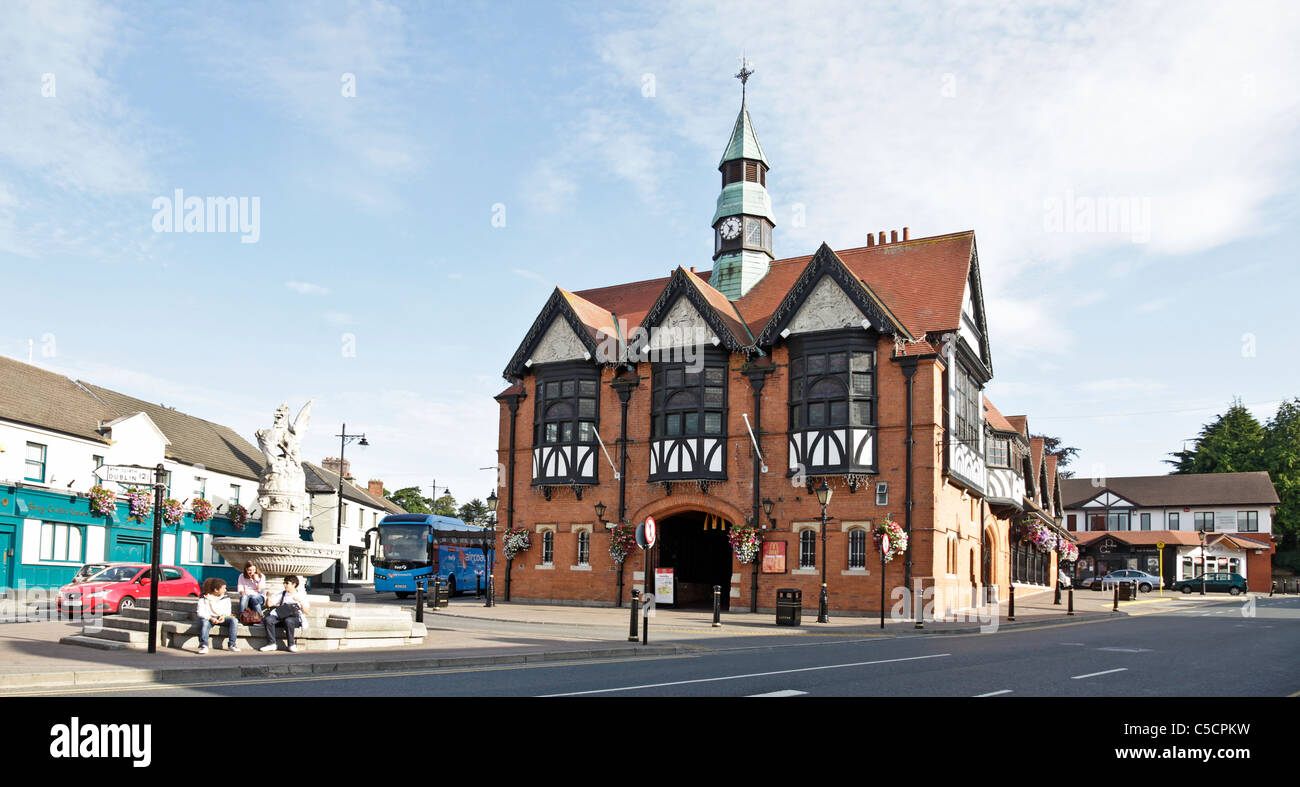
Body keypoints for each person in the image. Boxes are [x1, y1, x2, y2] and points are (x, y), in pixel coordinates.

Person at [259, 575, 310, 652]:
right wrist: (268, 597)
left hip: (294, 618)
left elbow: (307, 612)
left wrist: (300, 601)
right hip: (282, 615)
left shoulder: (301, 595)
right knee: (268, 620)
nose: (285, 585)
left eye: (287, 583)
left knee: (288, 621)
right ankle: (271, 644)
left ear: (294, 584)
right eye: (284, 583)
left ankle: (291, 645)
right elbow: (269, 605)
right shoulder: (282, 594)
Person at [196, 577, 238, 654]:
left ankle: (232, 644)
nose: (225, 590)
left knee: (234, 620)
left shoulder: (226, 597)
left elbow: (228, 610)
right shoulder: (204, 597)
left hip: (221, 617)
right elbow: (200, 612)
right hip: (209, 618)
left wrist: (224, 616)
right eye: (223, 588)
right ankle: (204, 645)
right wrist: (210, 618)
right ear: (216, 590)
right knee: (204, 623)